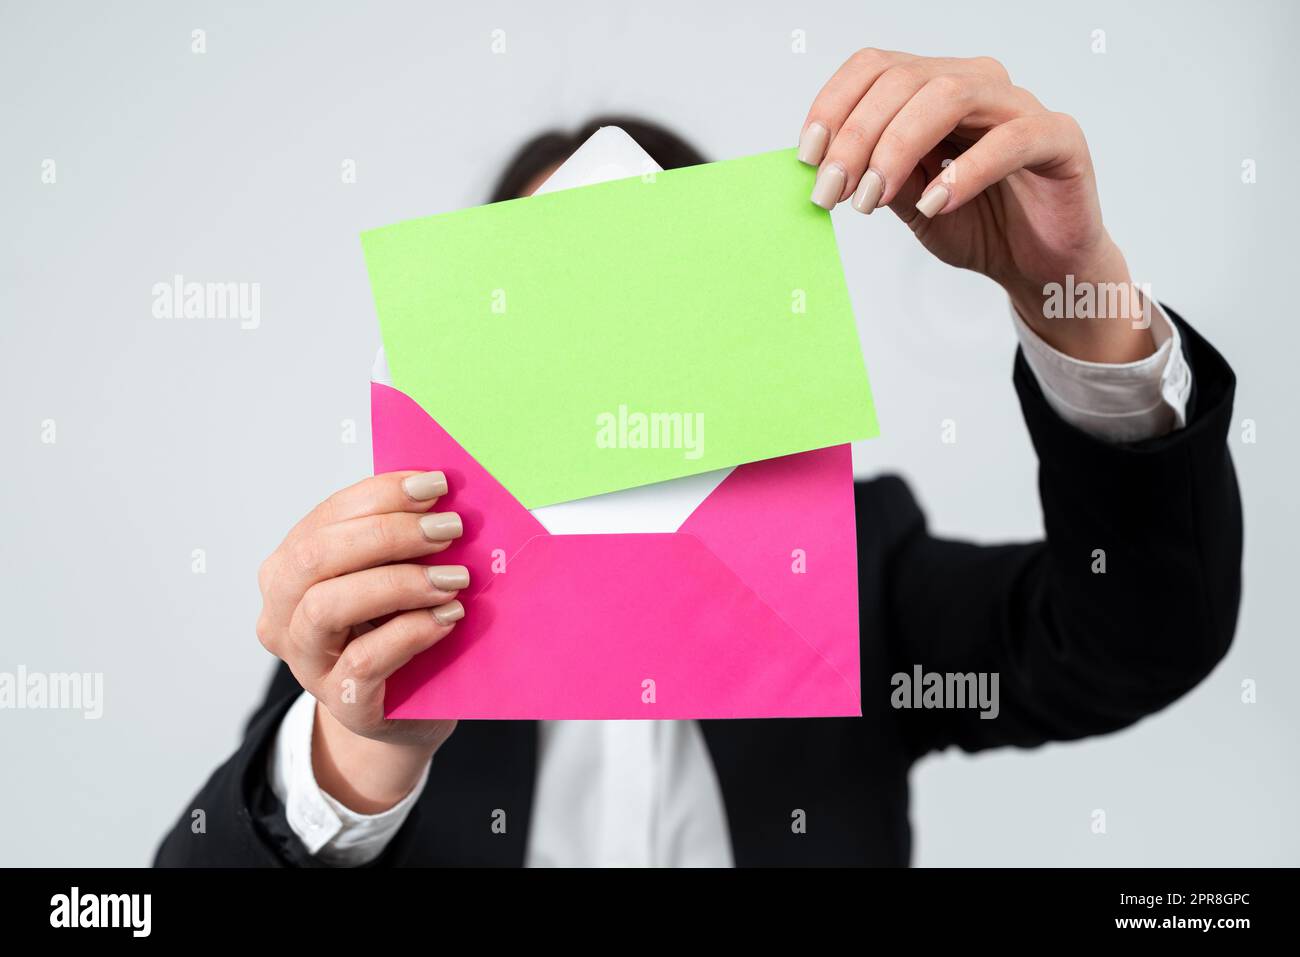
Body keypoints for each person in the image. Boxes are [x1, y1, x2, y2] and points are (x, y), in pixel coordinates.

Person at [155, 49, 1241, 867]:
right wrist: (355, 757)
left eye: (649, 292)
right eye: (552, 296)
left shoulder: (858, 565)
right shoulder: (398, 601)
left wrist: (1069, 289)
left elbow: (1137, 640)